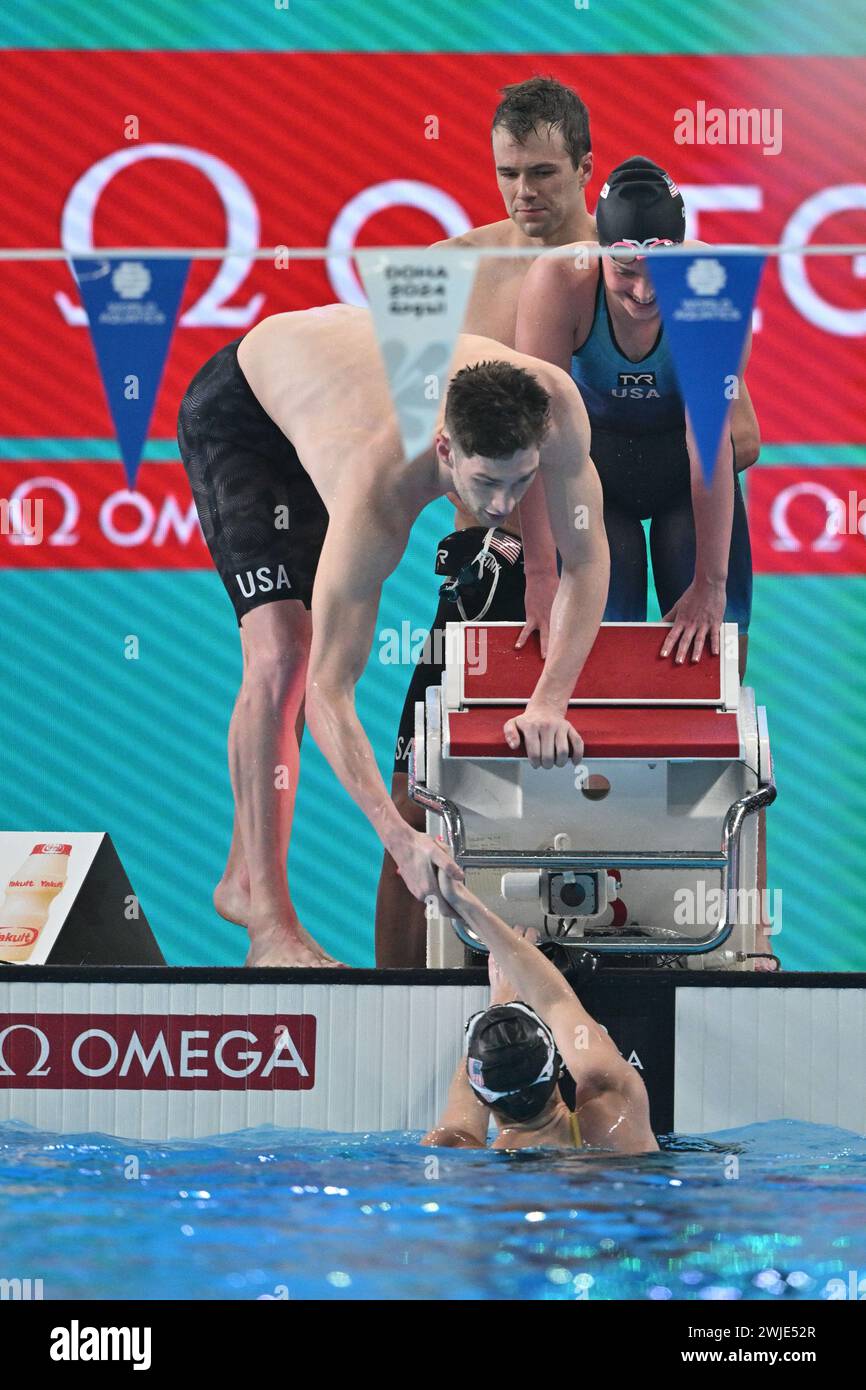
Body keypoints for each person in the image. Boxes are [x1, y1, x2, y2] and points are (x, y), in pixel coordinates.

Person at [177, 305, 608, 966]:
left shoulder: (554, 402)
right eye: (486, 483)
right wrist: (397, 836)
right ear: (444, 449)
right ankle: (266, 917)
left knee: (299, 650)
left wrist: (550, 700)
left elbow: (586, 560)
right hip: (243, 413)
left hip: (328, 388)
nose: (503, 505)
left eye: (521, 480)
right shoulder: (379, 485)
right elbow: (331, 689)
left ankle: (243, 873)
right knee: (287, 653)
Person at [515, 155, 776, 966]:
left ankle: (720, 918)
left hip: (684, 475)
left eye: (657, 268)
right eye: (626, 270)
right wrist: (541, 573)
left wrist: (708, 581)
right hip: (597, 479)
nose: (641, 291)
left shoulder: (704, 291)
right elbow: (535, 438)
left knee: (714, 675)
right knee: (606, 673)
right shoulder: (560, 284)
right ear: (601, 254)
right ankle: (604, 900)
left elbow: (710, 449)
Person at [376, 74, 598, 966]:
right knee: (416, 791)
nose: (524, 194)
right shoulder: (450, 265)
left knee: (596, 790)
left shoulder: (630, 278)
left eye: (544, 173)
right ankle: (387, 999)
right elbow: (407, 433)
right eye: (509, 173)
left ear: (587, 166)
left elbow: (734, 439)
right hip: (494, 555)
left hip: (598, 558)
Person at [422, 878, 658, 1152]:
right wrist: (464, 903)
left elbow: (461, 1121)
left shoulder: (456, 1155)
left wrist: (499, 1006)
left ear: (481, 1095)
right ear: (558, 1065)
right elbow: (556, 1002)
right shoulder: (616, 1115)